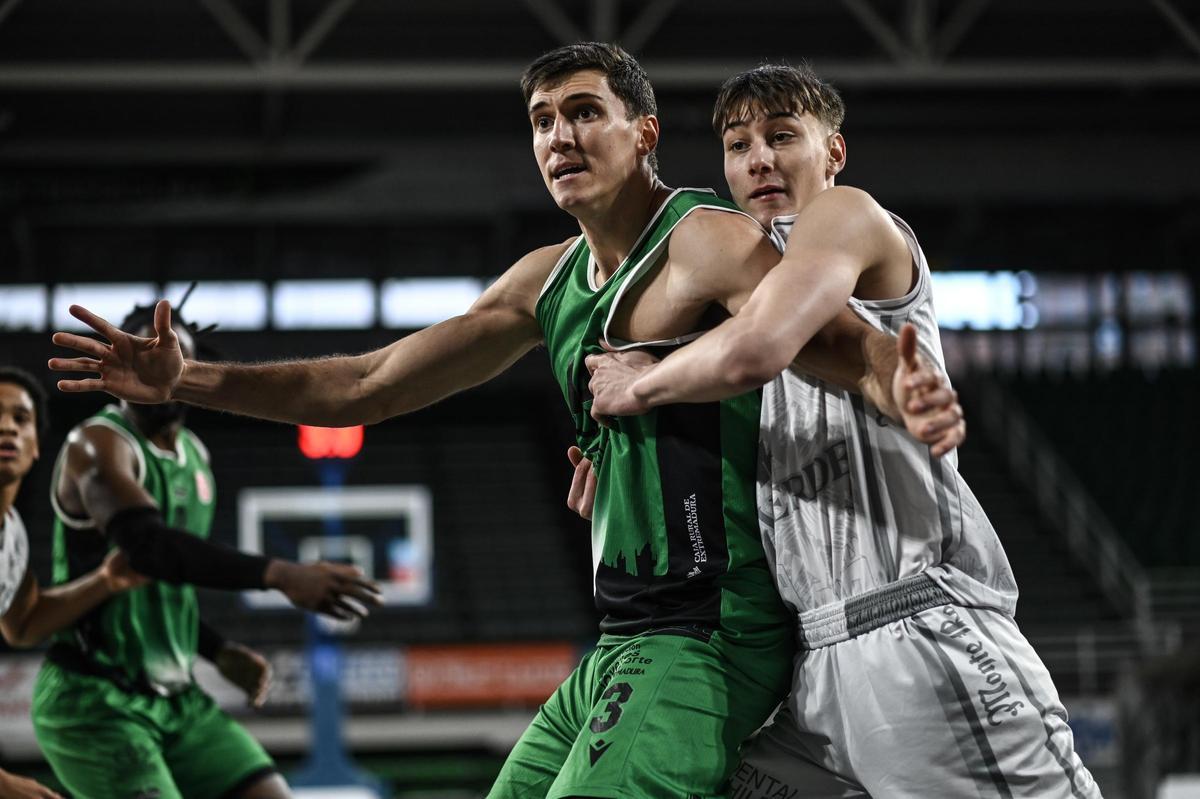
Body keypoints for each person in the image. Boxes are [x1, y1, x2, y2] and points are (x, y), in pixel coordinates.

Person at [47, 45, 960, 798]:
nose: (560, 134)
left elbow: (838, 343)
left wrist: (901, 379)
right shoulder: (546, 281)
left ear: (644, 133)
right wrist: (187, 381)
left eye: (582, 112)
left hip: (708, 634)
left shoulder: (704, 240)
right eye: (541, 121)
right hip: (624, 638)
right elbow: (367, 384)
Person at [584, 63, 1099, 797]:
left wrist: (641, 382)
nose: (758, 157)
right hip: (815, 673)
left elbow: (763, 342)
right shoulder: (730, 303)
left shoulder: (842, 218)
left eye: (782, 135)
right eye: (737, 144)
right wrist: (620, 467)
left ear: (834, 153)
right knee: (685, 779)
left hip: (920, 627)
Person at [33, 304, 382, 799]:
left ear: (190, 372)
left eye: (172, 357)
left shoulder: (196, 458)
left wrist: (215, 650)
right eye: (142, 354)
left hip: (178, 697)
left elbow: (153, 584)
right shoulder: (97, 443)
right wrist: (281, 573)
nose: (155, 365)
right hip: (96, 698)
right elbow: (149, 549)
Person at [0, 366, 146, 799]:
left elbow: (22, 622)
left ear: (37, 448)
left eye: (20, 418)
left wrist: (103, 581)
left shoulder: (12, 535)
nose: (6, 427)